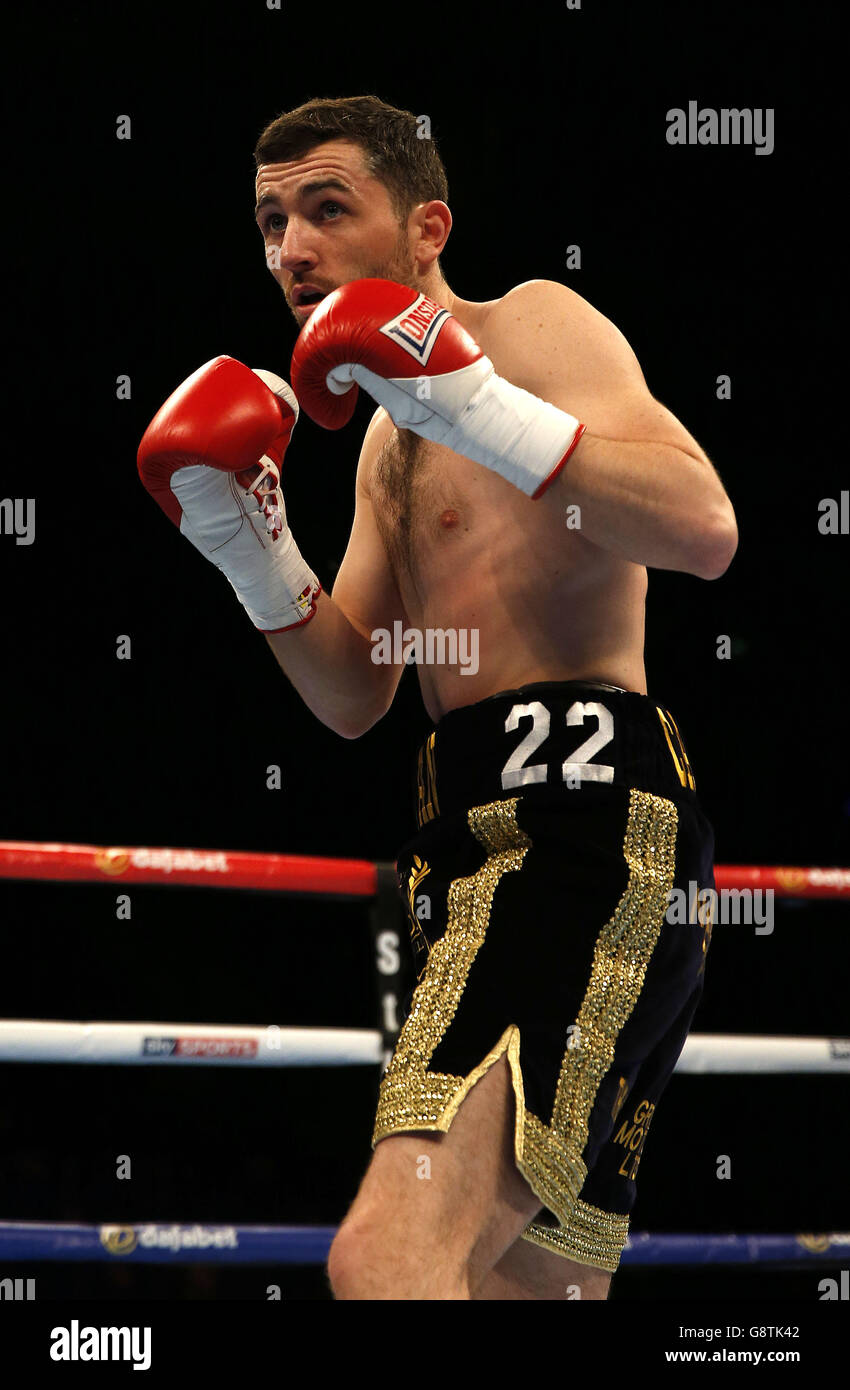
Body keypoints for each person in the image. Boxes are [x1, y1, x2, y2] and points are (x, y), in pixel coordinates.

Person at [138, 95, 737, 1300]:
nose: (289, 249)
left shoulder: (528, 329)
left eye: (325, 208)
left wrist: (473, 401)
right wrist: (253, 556)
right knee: (518, 1282)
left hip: (581, 826)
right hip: (471, 847)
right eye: (268, 222)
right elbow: (357, 688)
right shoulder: (380, 446)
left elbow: (701, 525)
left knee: (386, 1252)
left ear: (426, 229)